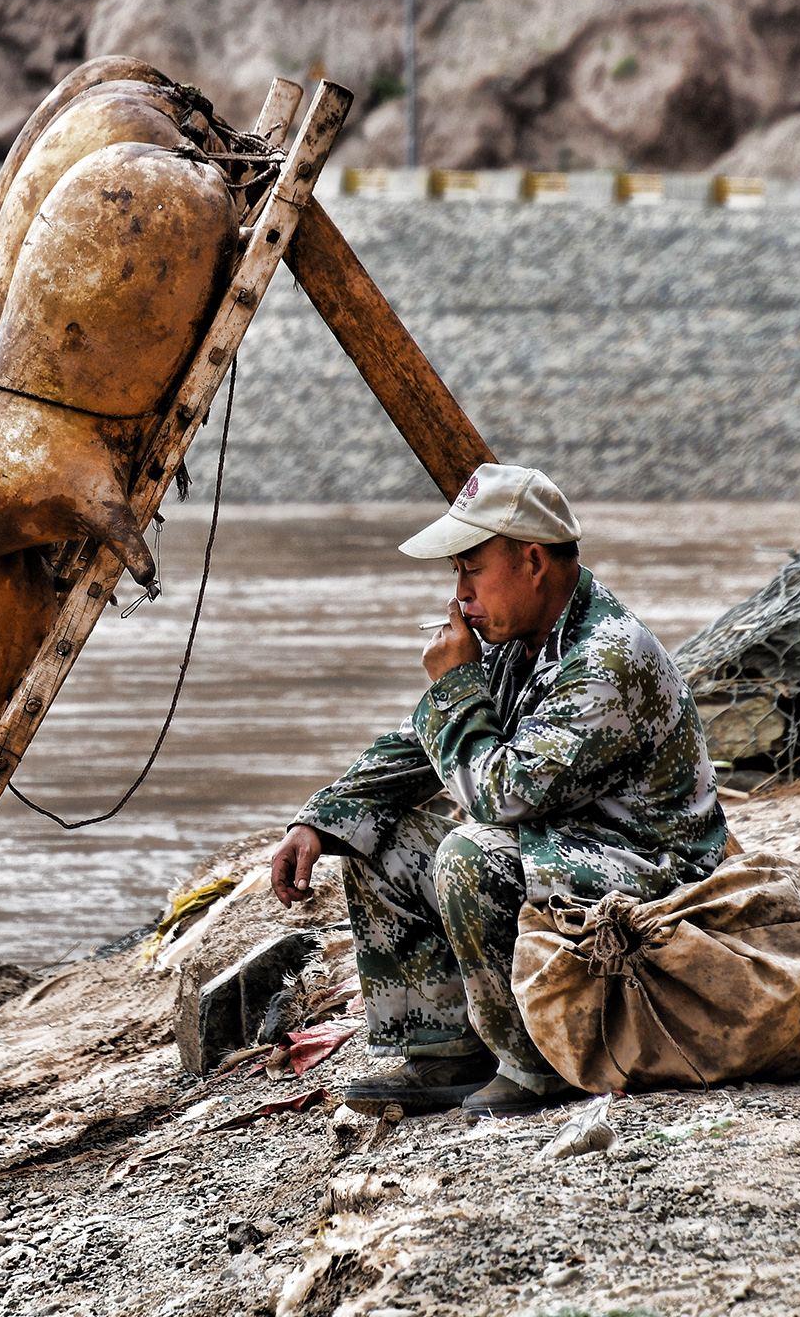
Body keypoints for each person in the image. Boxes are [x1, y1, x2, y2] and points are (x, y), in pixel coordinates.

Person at [269, 464, 728, 1117]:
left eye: (470, 571)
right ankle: (448, 1050)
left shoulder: (607, 662)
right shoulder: (519, 640)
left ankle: (537, 1065)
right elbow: (415, 748)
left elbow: (500, 799)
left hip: (658, 874)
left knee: (472, 853)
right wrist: (317, 821)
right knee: (381, 833)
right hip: (568, 849)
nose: (459, 598)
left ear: (533, 562)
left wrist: (454, 688)